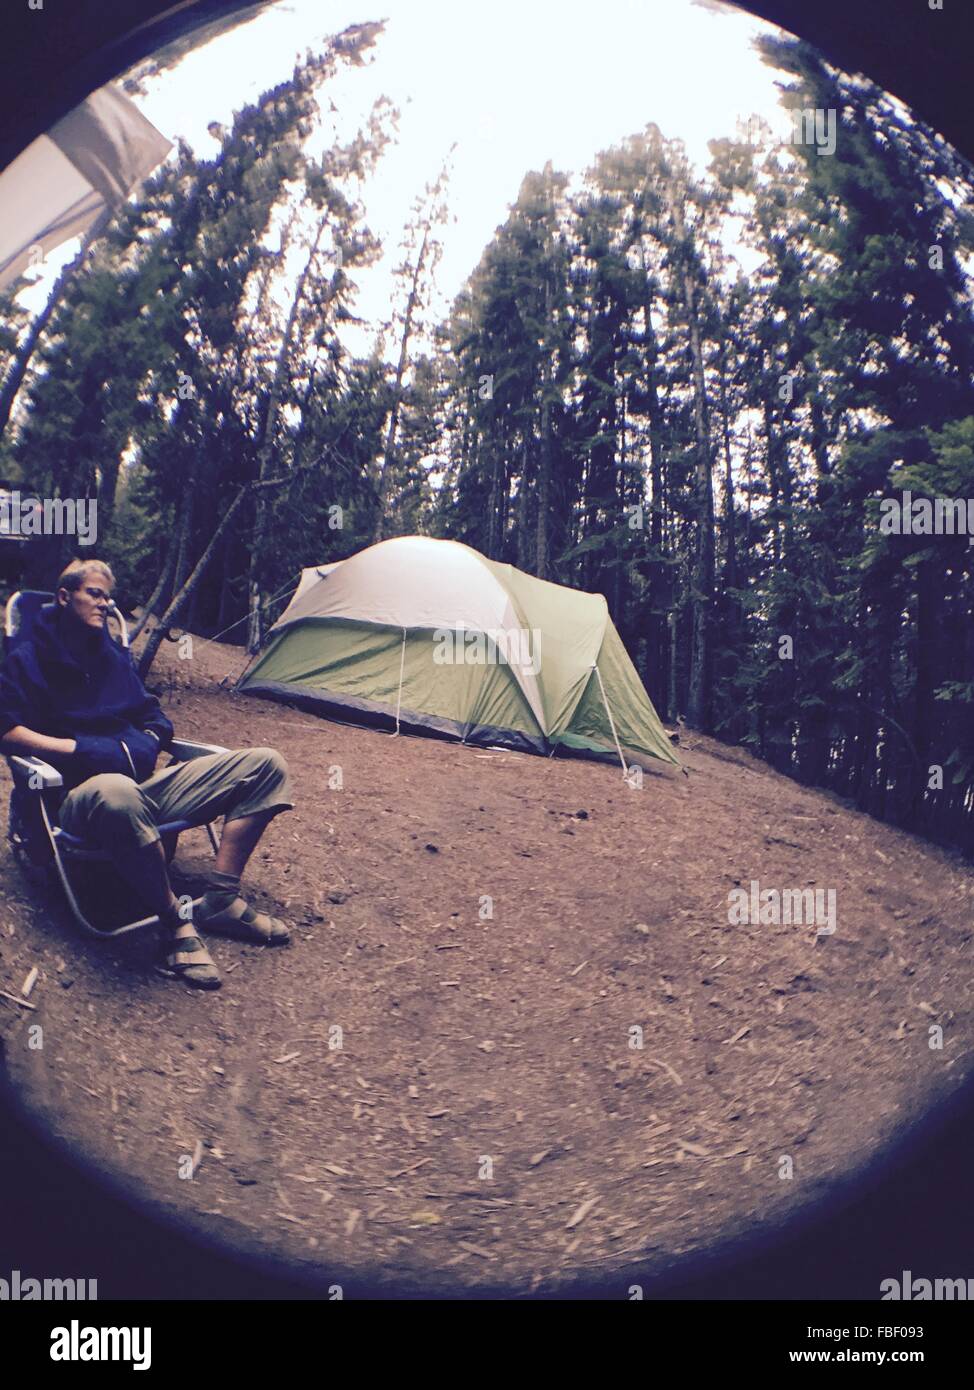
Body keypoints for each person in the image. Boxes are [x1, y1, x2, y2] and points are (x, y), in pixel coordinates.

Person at [0, 558, 295, 990]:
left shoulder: (113, 657)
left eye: (107, 597)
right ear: (64, 597)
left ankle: (220, 899)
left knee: (267, 765)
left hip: (139, 787)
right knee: (118, 792)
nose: (104, 604)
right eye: (94, 594)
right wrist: (80, 750)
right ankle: (174, 922)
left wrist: (149, 741)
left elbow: (151, 714)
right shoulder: (26, 658)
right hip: (75, 798)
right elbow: (8, 733)